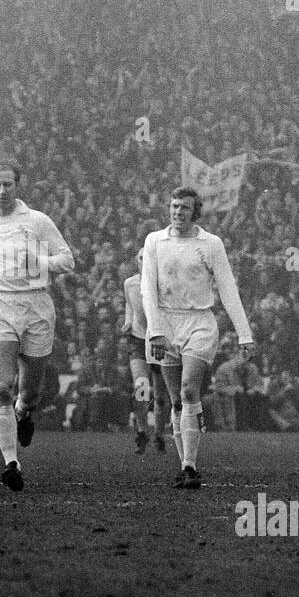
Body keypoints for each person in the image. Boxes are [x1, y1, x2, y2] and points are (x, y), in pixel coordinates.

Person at [0, 163, 74, 491]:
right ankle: (11, 463)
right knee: (2, 387)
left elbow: (67, 259)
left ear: (17, 186)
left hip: (35, 306)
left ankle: (24, 413)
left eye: (7, 184)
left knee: (28, 393)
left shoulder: (37, 221)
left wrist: (41, 262)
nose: (2, 191)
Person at [142, 186, 254, 489]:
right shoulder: (154, 241)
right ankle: (184, 464)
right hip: (165, 324)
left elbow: (228, 289)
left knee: (190, 389)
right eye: (174, 206)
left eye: (185, 208)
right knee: (177, 399)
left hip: (199, 324)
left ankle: (191, 467)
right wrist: (155, 331)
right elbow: (147, 290)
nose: (178, 212)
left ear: (195, 212)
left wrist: (244, 333)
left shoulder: (211, 243)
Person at [122, 250, 167, 453]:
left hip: (158, 340)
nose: (144, 261)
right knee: (141, 386)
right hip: (138, 340)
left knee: (159, 394)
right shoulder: (130, 283)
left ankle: (159, 434)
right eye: (140, 258)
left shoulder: (161, 283)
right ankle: (142, 431)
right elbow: (130, 306)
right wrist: (127, 322)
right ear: (136, 261)